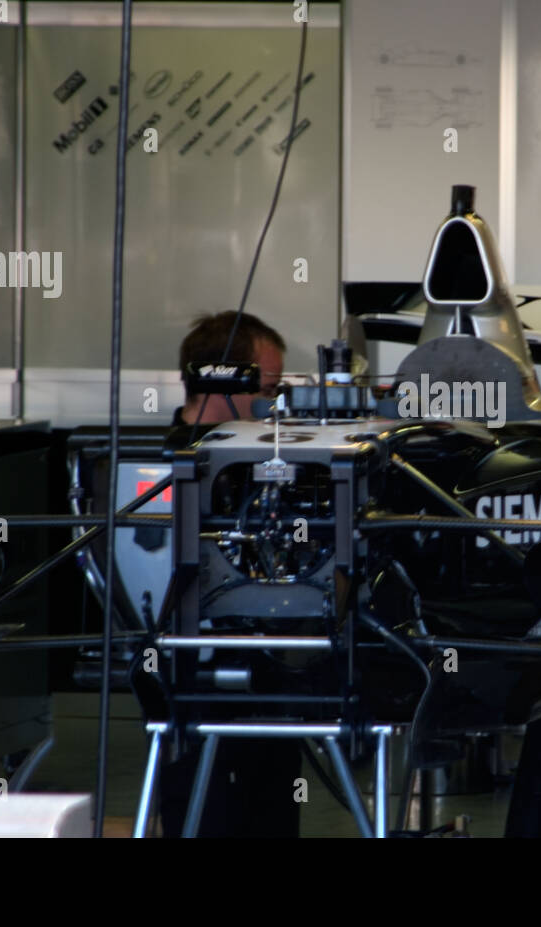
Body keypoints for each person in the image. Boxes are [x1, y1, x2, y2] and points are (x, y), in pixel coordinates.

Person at [157, 310, 301, 837]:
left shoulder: (263, 457)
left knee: (274, 797)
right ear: (224, 378)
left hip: (268, 663)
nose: (276, 400)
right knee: (206, 803)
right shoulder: (165, 466)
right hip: (193, 666)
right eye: (269, 386)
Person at [173, 310, 286, 428]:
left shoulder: (251, 442)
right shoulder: (167, 445)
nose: (274, 405)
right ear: (220, 378)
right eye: (267, 391)